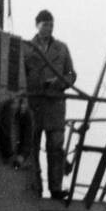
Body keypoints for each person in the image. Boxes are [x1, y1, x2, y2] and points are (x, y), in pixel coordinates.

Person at [23, 10, 76, 200]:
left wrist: (58, 82)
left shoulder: (62, 48)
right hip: (34, 104)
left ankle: (56, 188)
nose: (49, 28)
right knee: (32, 148)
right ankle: (36, 187)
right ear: (37, 25)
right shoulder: (27, 48)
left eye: (51, 25)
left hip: (54, 105)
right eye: (45, 25)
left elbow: (71, 75)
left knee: (55, 147)